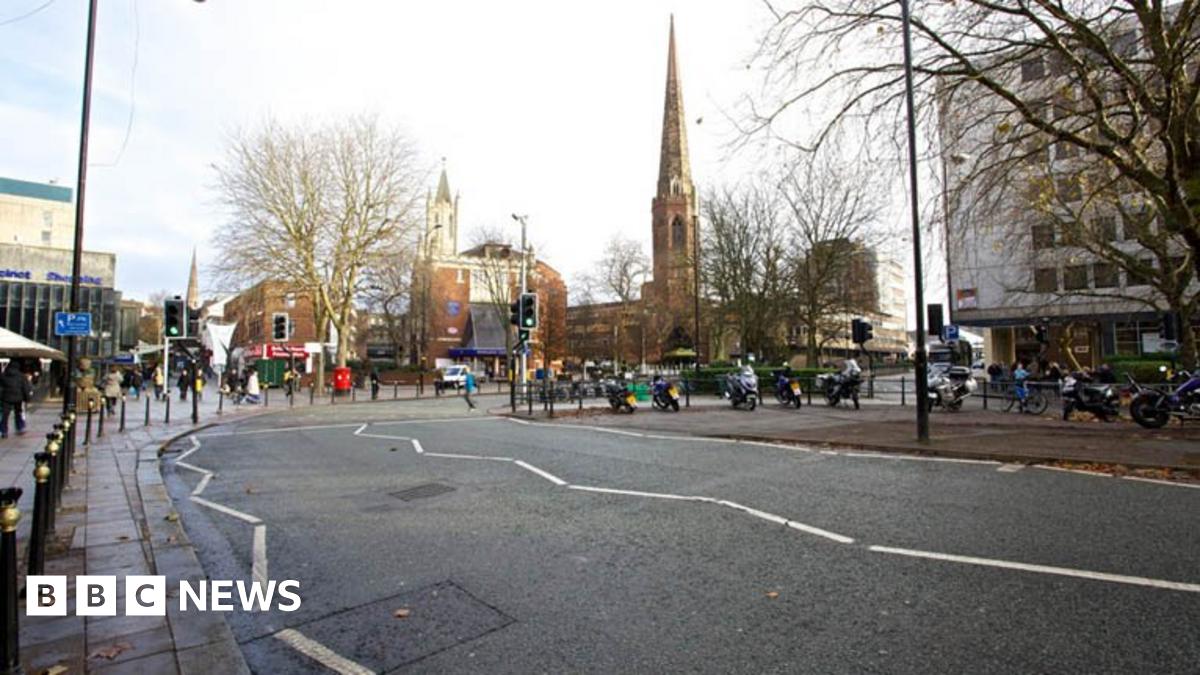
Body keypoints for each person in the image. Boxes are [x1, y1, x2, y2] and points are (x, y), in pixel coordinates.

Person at [0, 362, 32, 438]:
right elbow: (25, 388)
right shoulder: (21, 376)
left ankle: (4, 431)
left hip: (6, 398)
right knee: (18, 413)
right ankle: (19, 428)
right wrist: (27, 399)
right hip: (18, 398)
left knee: (5, 415)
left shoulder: (3, 375)